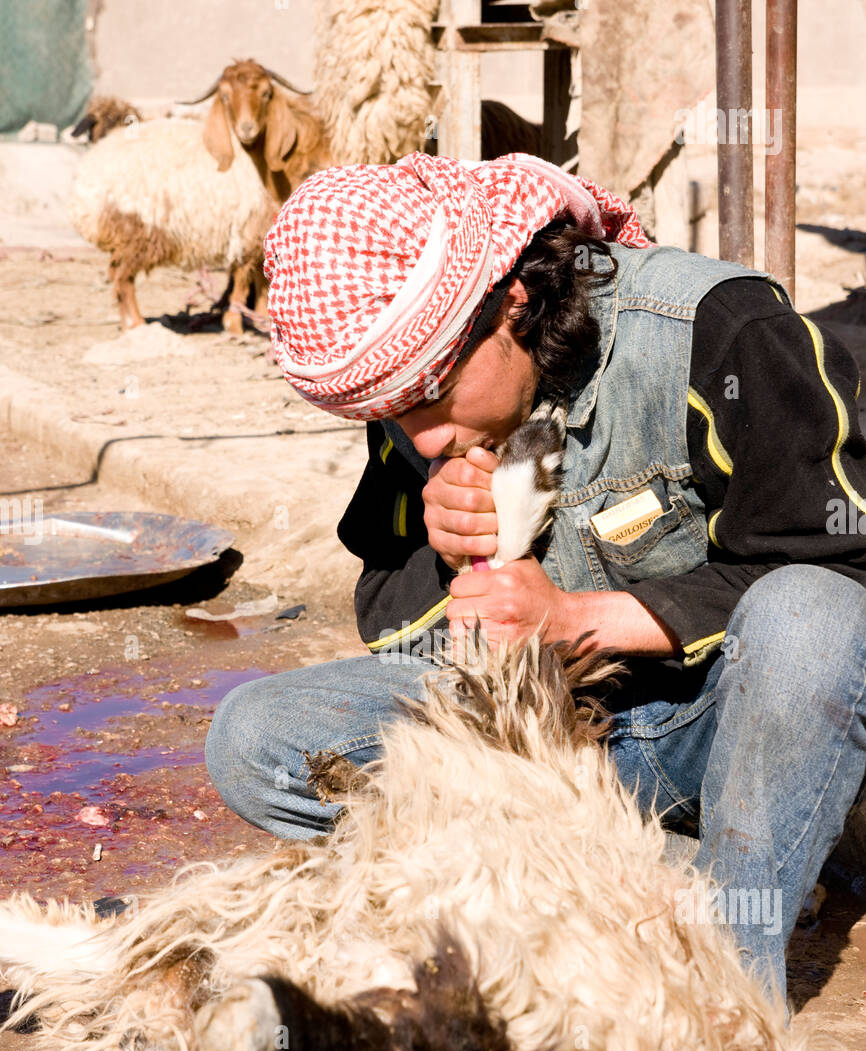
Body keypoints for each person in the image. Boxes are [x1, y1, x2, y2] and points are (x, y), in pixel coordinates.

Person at [205, 151, 866, 1005]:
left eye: (425, 397)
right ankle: (641, 874)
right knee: (256, 740)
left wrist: (580, 618)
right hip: (563, 756)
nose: (419, 434)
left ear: (512, 304)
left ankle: (726, 983)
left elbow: (838, 566)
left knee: (812, 618)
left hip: (735, 735)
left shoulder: (721, 329)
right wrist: (444, 559)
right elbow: (391, 623)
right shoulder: (427, 408)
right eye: (391, 414)